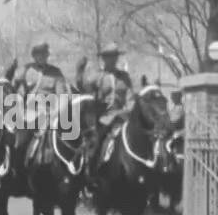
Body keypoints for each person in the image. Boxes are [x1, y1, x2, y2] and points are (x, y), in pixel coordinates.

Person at [76, 43, 134, 188]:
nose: (112, 60)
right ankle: (93, 173)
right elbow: (84, 87)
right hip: (104, 117)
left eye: (114, 57)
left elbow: (130, 96)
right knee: (96, 142)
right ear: (104, 59)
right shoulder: (98, 76)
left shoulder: (124, 77)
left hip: (123, 117)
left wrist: (128, 110)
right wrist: (80, 71)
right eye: (108, 57)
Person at [12, 42, 71, 140]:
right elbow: (13, 90)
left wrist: (56, 113)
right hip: (28, 114)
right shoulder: (25, 70)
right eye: (38, 53)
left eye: (44, 53)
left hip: (49, 114)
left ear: (47, 55)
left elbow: (63, 97)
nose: (41, 56)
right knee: (19, 143)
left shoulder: (56, 73)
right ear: (34, 55)